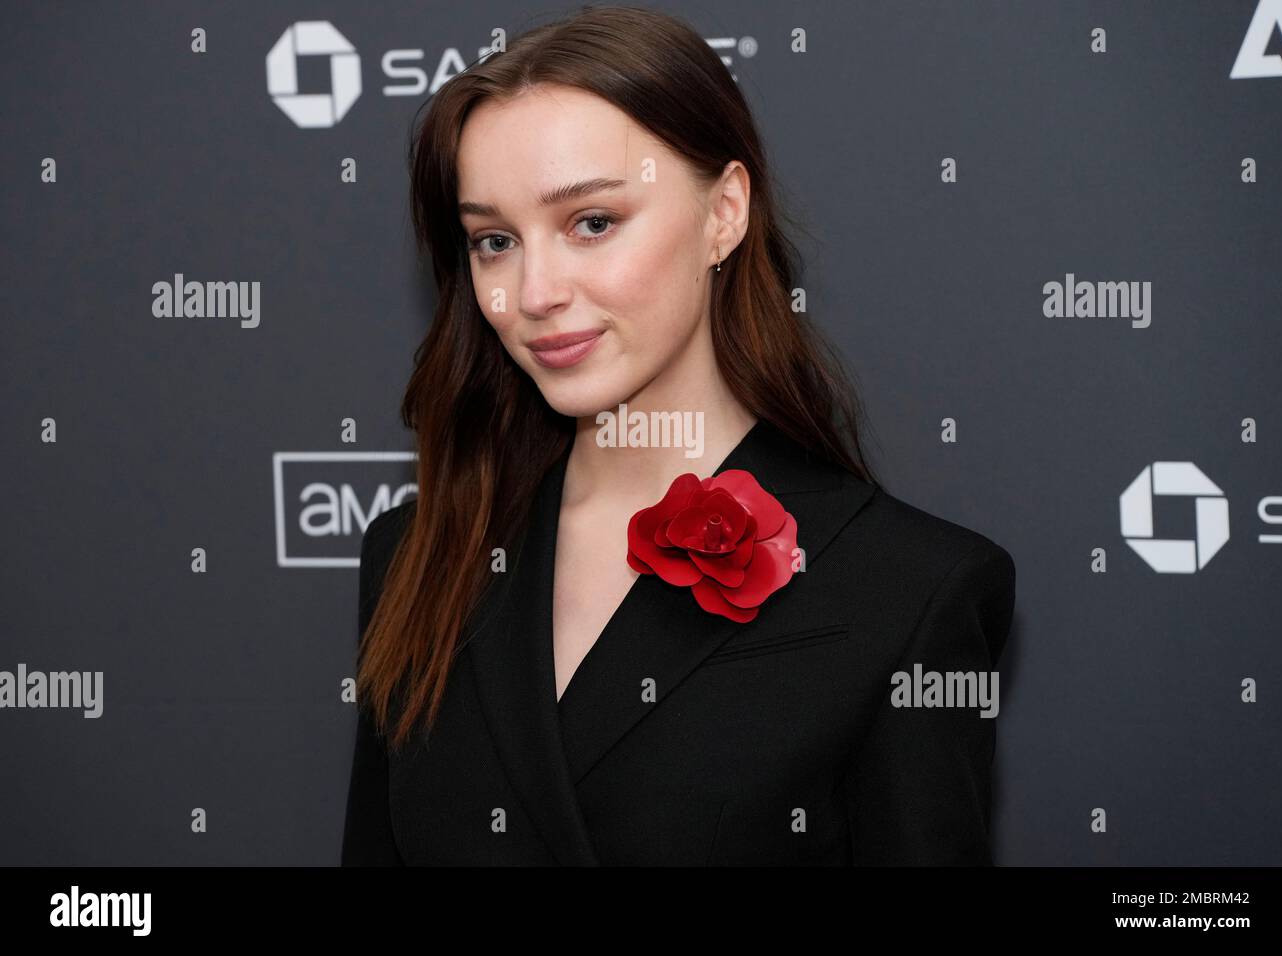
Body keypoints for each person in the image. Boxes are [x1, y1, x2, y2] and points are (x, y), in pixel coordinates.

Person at [342, 5, 1014, 866]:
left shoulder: (909, 591)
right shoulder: (418, 552)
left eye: (592, 222)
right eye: (494, 241)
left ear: (724, 212)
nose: (533, 291)